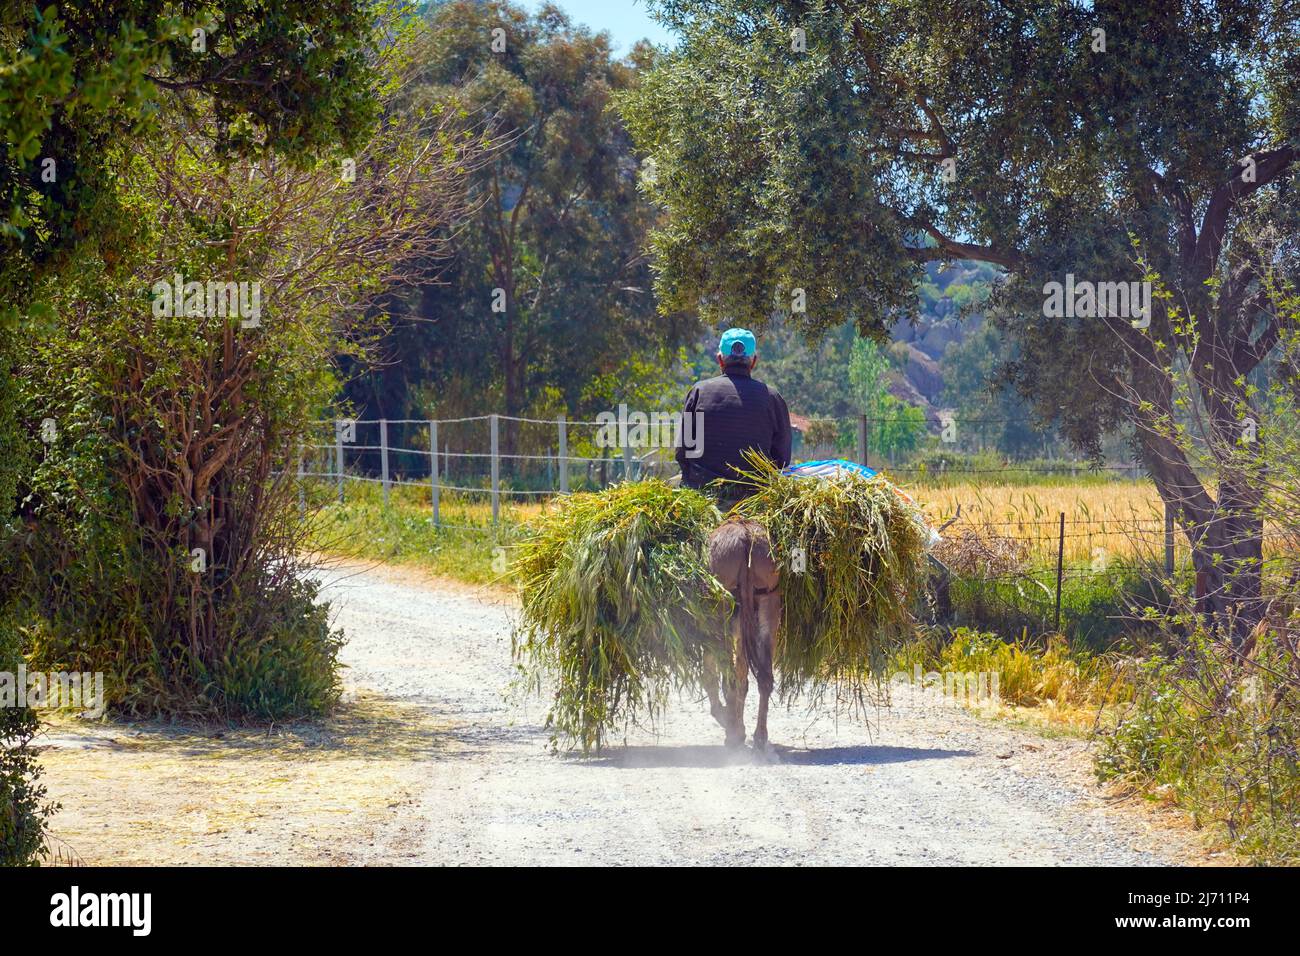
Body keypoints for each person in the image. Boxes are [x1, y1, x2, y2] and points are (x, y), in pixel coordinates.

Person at [675, 327, 792, 507]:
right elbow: (782, 459)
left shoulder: (699, 392)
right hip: (756, 499)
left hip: (704, 498)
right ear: (753, 361)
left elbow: (683, 452)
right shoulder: (772, 398)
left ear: (720, 360)